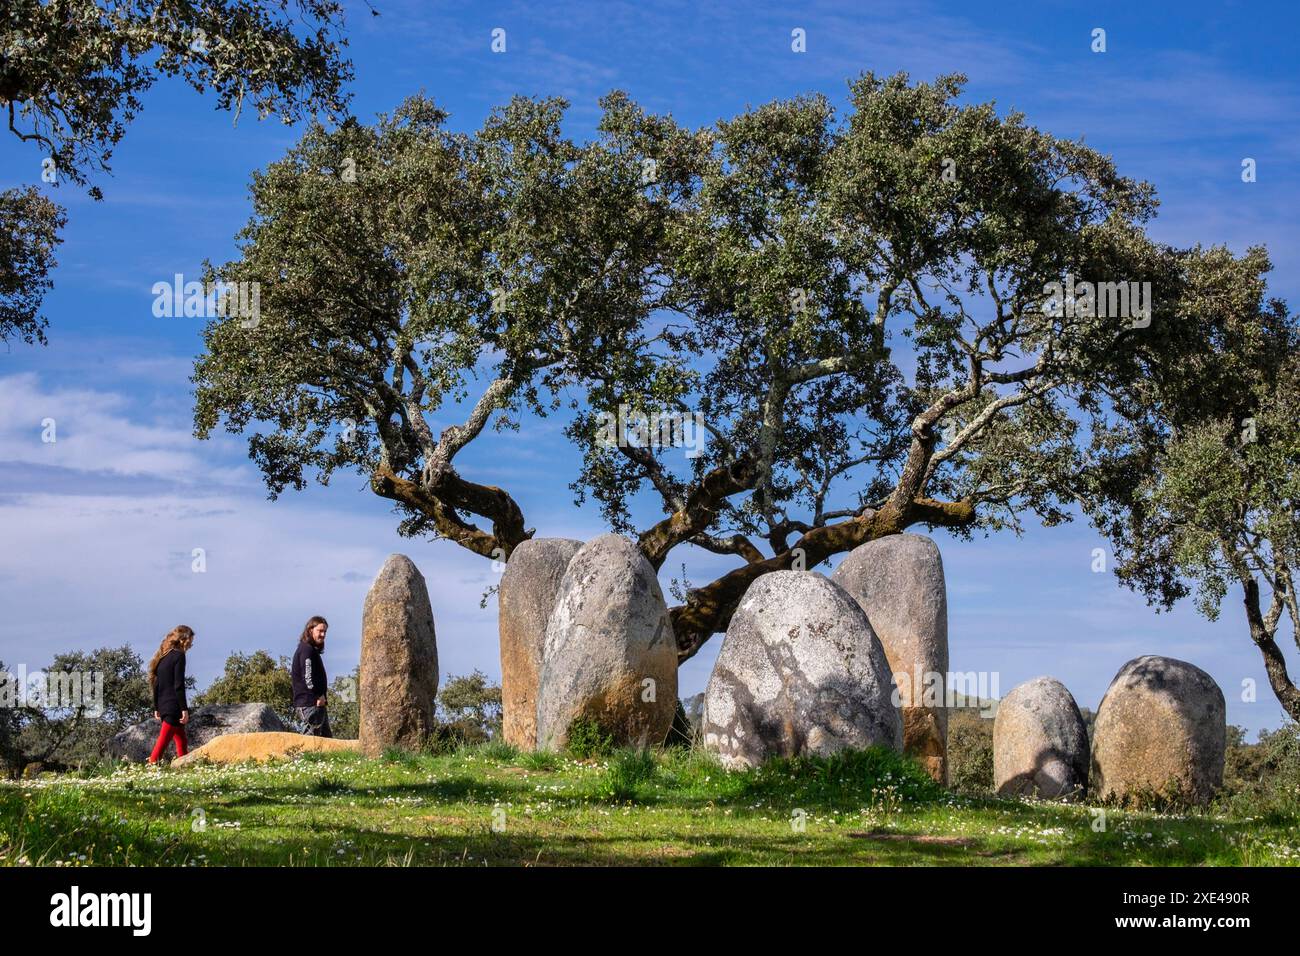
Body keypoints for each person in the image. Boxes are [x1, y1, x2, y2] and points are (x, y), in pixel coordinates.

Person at [147, 625, 193, 763]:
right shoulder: (179, 656)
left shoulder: (163, 657)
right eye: (190, 641)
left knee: (181, 740)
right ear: (183, 640)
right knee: (162, 742)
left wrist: (156, 707)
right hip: (173, 706)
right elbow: (178, 685)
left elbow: (156, 684)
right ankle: (151, 766)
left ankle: (184, 766)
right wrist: (184, 709)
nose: (191, 644)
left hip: (164, 704)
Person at [291, 615, 332, 737]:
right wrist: (318, 696)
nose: (323, 635)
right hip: (310, 704)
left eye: (325, 631)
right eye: (320, 631)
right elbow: (307, 677)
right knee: (310, 743)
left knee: (326, 741)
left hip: (317, 704)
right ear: (310, 630)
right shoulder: (306, 650)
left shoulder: (311, 650)